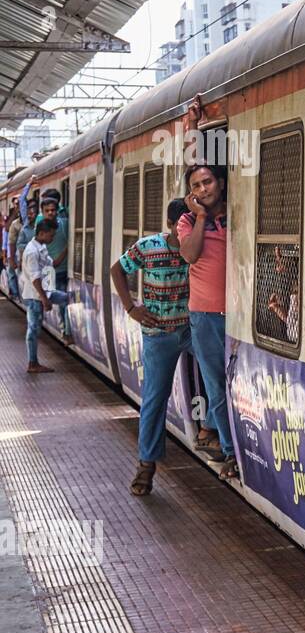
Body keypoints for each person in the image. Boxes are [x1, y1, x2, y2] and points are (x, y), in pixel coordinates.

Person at [110, 199, 191, 496]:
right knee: (155, 400)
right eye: (182, 226)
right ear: (171, 225)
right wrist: (131, 308)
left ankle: (212, 434)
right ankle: (146, 466)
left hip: (189, 330)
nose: (186, 232)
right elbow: (117, 270)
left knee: (217, 372)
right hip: (157, 334)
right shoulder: (148, 246)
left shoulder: (195, 247)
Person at [178, 158, 237, 480]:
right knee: (216, 387)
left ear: (221, 183)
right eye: (196, 186)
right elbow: (190, 254)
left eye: (207, 182)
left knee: (239, 385)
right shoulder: (188, 221)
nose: (203, 189)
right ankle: (230, 452)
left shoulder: (238, 214)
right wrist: (201, 216)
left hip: (241, 315)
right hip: (206, 317)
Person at [20, 217, 69, 374]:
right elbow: (35, 279)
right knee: (33, 328)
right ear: (41, 233)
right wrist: (45, 300)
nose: (53, 238)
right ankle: (32, 363)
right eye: (51, 235)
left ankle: (67, 331)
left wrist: (67, 250)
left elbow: (52, 264)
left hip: (45, 292)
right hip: (36, 296)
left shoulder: (41, 247)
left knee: (68, 299)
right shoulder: (31, 252)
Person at [39, 196, 71, 340]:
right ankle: (65, 331)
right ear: (43, 212)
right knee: (60, 302)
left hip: (65, 270)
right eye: (47, 211)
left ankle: (66, 330)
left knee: (64, 302)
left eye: (53, 210)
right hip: (51, 271)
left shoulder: (64, 224)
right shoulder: (40, 228)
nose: (51, 213)